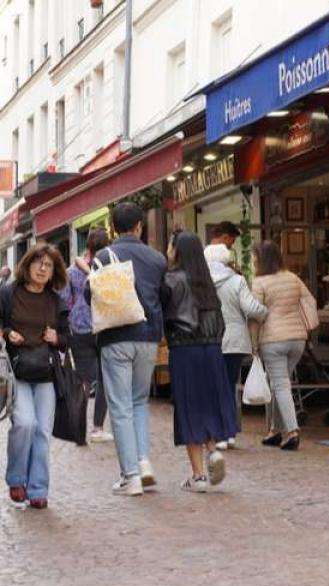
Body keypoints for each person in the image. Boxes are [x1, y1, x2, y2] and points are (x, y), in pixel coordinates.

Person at [0, 243, 70, 510]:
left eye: (48, 265)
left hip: (46, 374)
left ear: (53, 272)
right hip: (17, 372)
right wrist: (7, 334)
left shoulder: (55, 301)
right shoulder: (9, 294)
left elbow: (68, 338)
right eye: (38, 263)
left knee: (42, 432)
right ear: (27, 265)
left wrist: (57, 338)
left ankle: (38, 489)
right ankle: (17, 479)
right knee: (25, 424)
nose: (42, 268)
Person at [88, 202, 168, 497]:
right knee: (139, 402)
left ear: (113, 227)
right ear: (139, 226)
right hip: (148, 337)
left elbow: (89, 293)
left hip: (115, 336)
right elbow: (164, 296)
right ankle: (143, 462)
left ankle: (130, 476)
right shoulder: (157, 258)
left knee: (120, 406)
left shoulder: (103, 256)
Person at [162, 232, 239, 492]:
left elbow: (161, 311)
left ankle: (198, 476)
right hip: (212, 350)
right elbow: (221, 321)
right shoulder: (207, 282)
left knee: (188, 408)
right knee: (208, 403)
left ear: (177, 250)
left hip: (185, 350)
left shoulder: (171, 279)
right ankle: (212, 449)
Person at [250, 241, 314, 451]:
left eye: (254, 256)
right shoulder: (293, 278)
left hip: (273, 339)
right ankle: (275, 430)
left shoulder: (260, 282)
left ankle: (292, 431)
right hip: (297, 339)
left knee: (280, 385)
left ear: (261, 259)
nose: (253, 260)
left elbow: (256, 315)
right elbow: (309, 300)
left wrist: (253, 344)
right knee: (277, 382)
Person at [206, 242, 268, 450]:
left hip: (211, 339)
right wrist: (266, 311)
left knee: (214, 387)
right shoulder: (237, 280)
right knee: (228, 386)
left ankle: (218, 433)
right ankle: (229, 432)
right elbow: (251, 308)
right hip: (235, 341)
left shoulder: (202, 282)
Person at [65, 227, 112, 443]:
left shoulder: (72, 271)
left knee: (83, 381)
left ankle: (79, 432)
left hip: (80, 328)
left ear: (88, 246)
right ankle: (98, 427)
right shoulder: (109, 269)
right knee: (104, 378)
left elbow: (65, 300)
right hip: (104, 326)